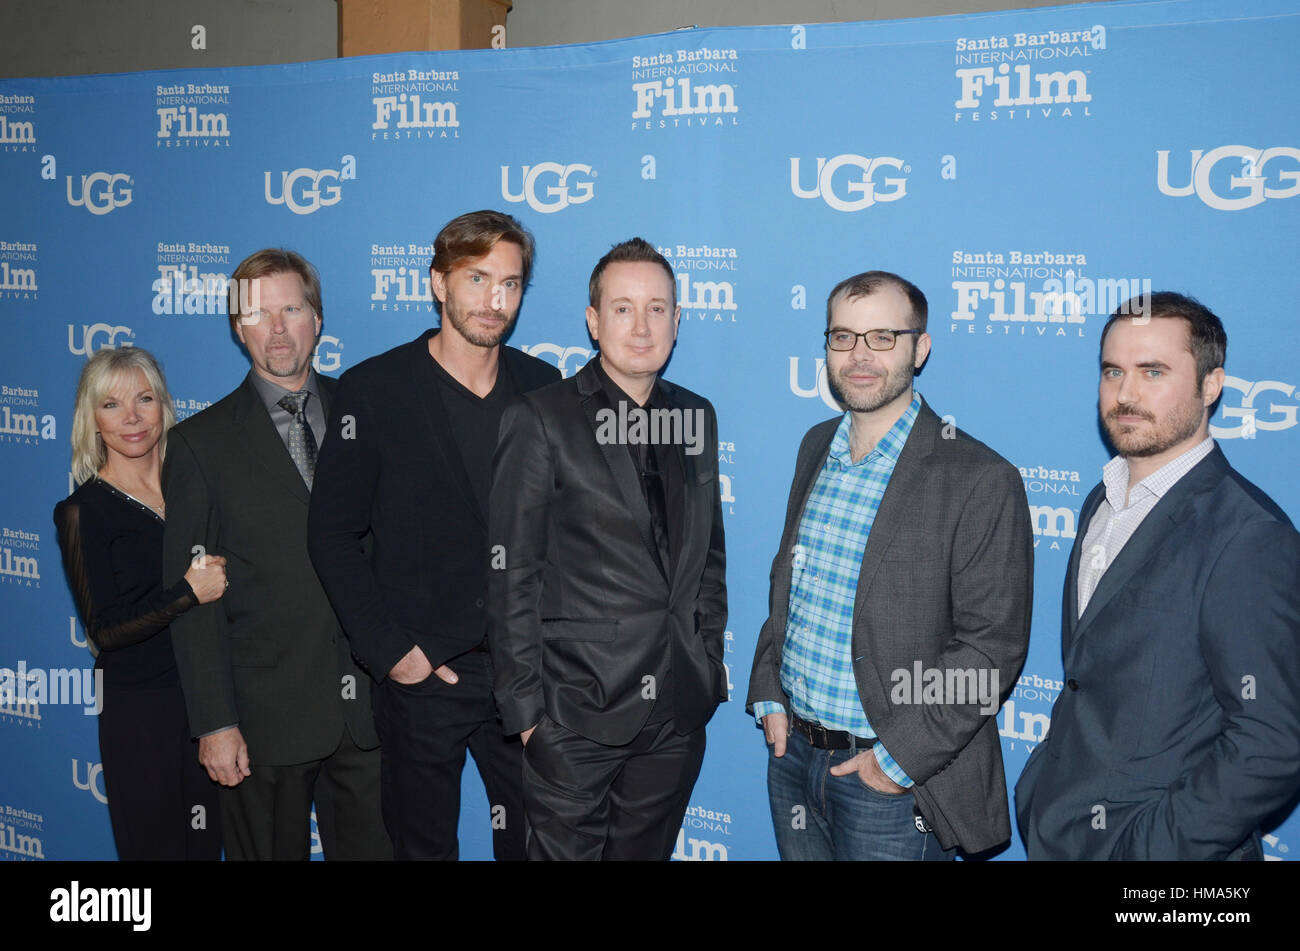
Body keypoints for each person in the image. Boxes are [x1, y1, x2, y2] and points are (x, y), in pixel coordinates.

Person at [747, 270, 1033, 860]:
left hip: (893, 782)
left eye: (882, 337)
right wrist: (768, 689)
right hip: (793, 757)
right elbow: (793, 587)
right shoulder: (814, 445)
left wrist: (896, 761)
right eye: (843, 337)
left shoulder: (979, 477)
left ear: (919, 347)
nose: (859, 356)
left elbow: (992, 648)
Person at [308, 210, 558, 860]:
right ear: (437, 283)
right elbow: (331, 532)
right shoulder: (374, 389)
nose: (494, 299)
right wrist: (392, 651)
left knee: (539, 844)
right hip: (424, 679)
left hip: (524, 676)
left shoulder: (544, 389)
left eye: (510, 283)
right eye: (477, 278)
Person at [1015, 292, 1300, 860]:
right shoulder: (1103, 498)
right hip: (1062, 831)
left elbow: (1272, 741)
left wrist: (1150, 850)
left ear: (1211, 385)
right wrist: (1039, 785)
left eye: (1153, 372)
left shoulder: (1248, 535)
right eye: (1113, 371)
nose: (1125, 394)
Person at [489, 237, 728, 861]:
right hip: (575, 714)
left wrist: (705, 656)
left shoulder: (696, 416)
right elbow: (511, 573)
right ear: (593, 321)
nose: (642, 326)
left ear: (678, 320)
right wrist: (527, 716)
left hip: (676, 714)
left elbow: (708, 560)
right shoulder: (540, 418)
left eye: (658, 308)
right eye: (623, 309)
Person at [161, 248, 389, 861]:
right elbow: (192, 599)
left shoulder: (370, 414)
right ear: (239, 328)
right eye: (259, 314)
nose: (279, 328)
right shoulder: (198, 445)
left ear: (318, 319)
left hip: (371, 711)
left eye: (293, 308)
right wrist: (214, 722)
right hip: (261, 722)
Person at [53, 347, 224, 860]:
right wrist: (187, 594)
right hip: (141, 717)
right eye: (111, 405)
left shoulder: (197, 491)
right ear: (93, 420)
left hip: (214, 706)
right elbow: (103, 631)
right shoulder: (83, 511)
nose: (131, 417)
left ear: (164, 407)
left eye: (144, 399)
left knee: (211, 847)